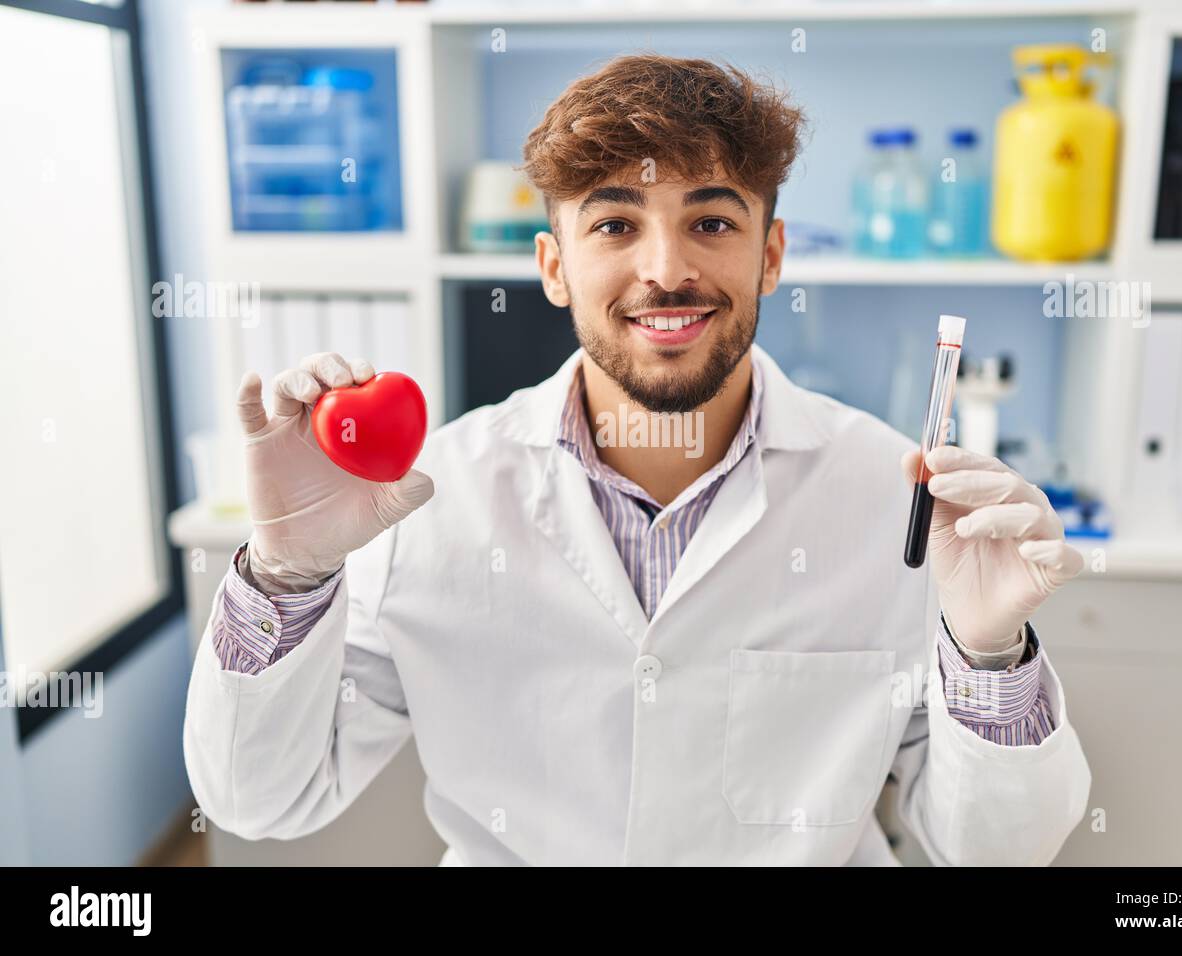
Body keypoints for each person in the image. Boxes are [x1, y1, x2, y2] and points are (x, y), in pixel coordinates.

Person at [183, 54, 1089, 866]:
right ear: (553, 266)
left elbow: (995, 855)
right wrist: (287, 577)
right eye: (615, 225)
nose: (666, 270)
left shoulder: (898, 501)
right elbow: (262, 799)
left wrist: (989, 656)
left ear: (771, 255)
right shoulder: (430, 498)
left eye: (713, 223)